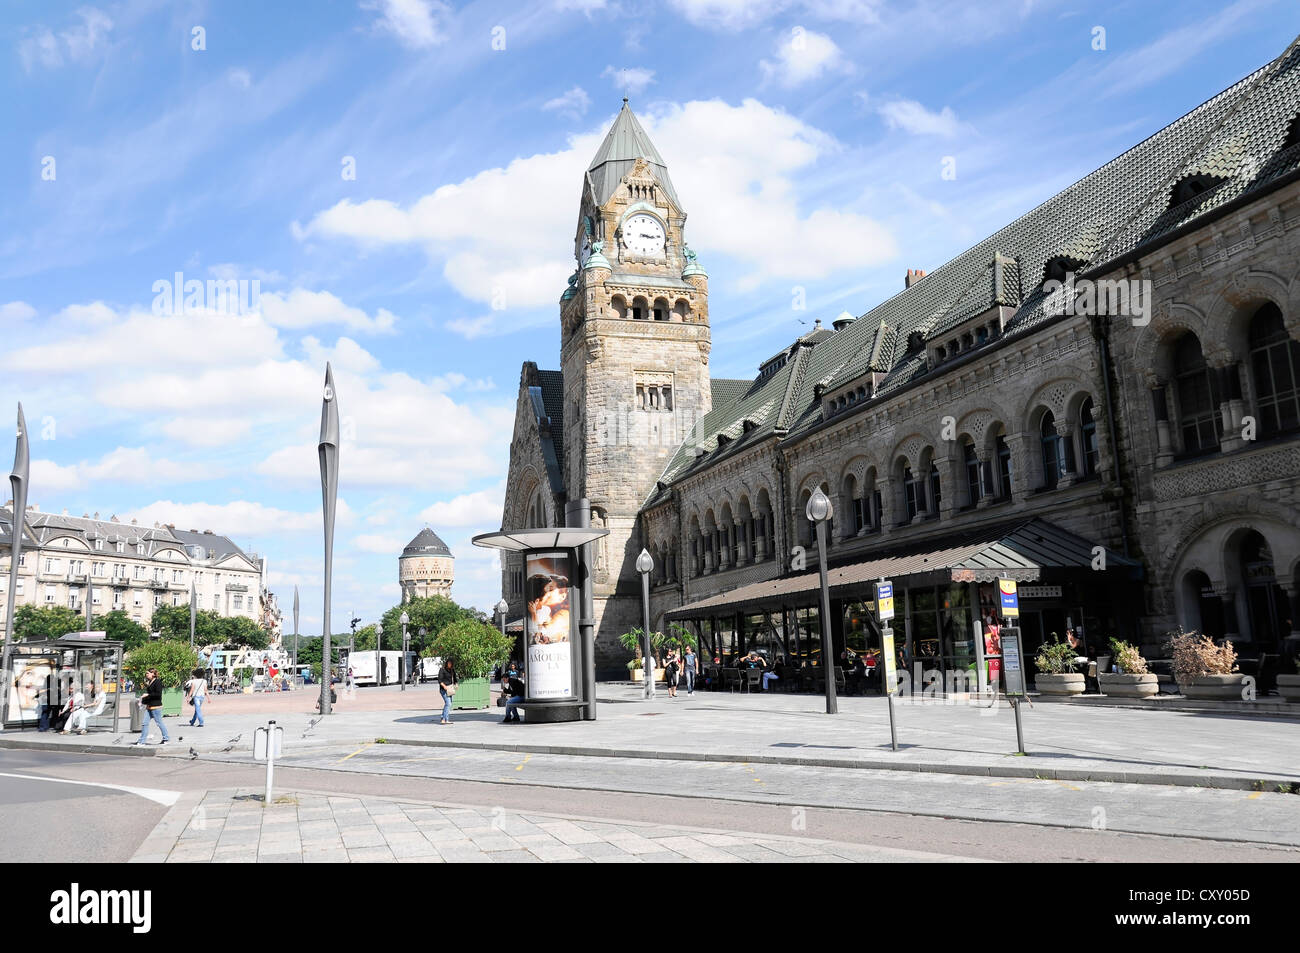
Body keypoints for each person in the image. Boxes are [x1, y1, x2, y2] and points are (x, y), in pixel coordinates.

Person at [132, 668, 170, 746]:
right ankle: (142, 741)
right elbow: (150, 695)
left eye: (148, 673)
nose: (146, 675)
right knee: (144, 723)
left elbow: (158, 694)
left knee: (159, 723)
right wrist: (143, 701)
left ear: (153, 674)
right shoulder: (150, 682)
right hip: (149, 707)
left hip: (156, 707)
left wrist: (148, 695)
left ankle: (166, 738)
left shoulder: (157, 682)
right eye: (146, 673)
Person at [438, 658, 457, 725]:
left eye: (451, 663)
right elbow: (439, 680)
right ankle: (444, 719)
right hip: (443, 689)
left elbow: (455, 678)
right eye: (449, 663)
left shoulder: (452, 670)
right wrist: (444, 686)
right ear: (446, 663)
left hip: (450, 689)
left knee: (448, 704)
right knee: (448, 703)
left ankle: (444, 718)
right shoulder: (442, 670)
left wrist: (456, 684)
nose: (450, 664)